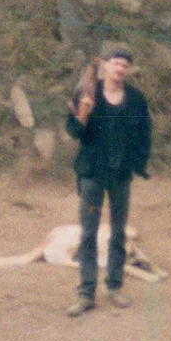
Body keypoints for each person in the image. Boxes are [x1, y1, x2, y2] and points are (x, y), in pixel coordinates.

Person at [64, 45, 152, 317]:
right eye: (116, 63)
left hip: (120, 174)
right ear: (105, 65)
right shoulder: (87, 93)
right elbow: (73, 131)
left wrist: (138, 165)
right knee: (88, 233)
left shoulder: (135, 99)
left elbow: (144, 133)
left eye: (125, 65)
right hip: (92, 172)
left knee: (118, 232)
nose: (121, 68)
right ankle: (86, 293)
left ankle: (114, 287)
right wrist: (84, 113)